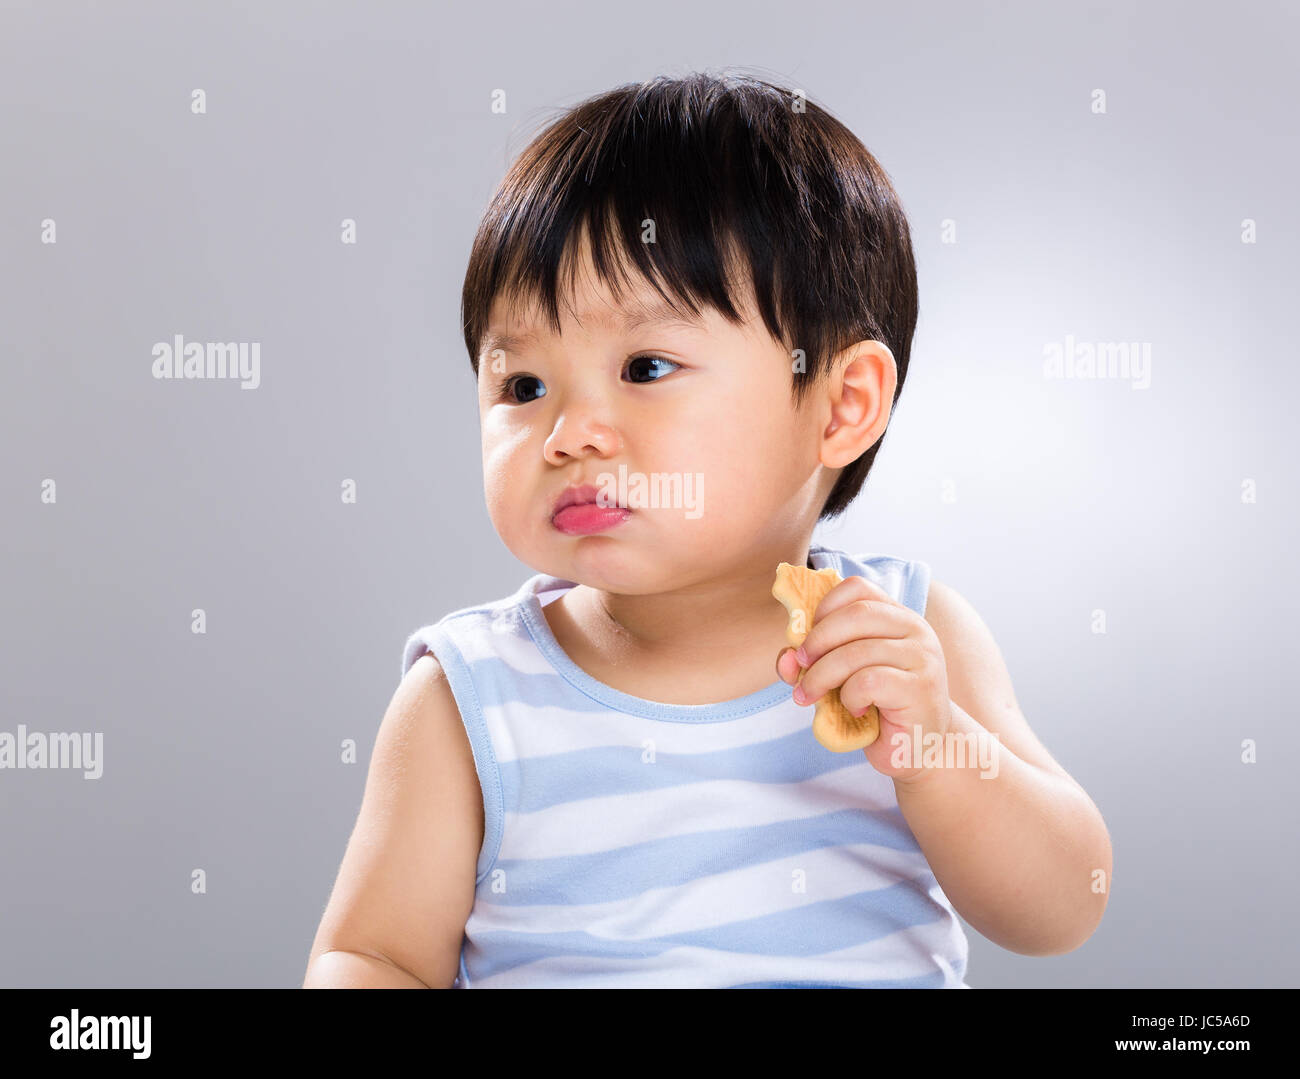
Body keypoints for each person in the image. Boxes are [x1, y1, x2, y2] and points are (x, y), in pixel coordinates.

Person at [303, 70, 1111, 989]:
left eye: (646, 366)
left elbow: (1064, 906)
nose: (569, 434)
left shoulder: (907, 638)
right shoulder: (472, 698)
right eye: (523, 385)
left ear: (842, 404)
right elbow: (372, 954)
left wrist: (937, 750)